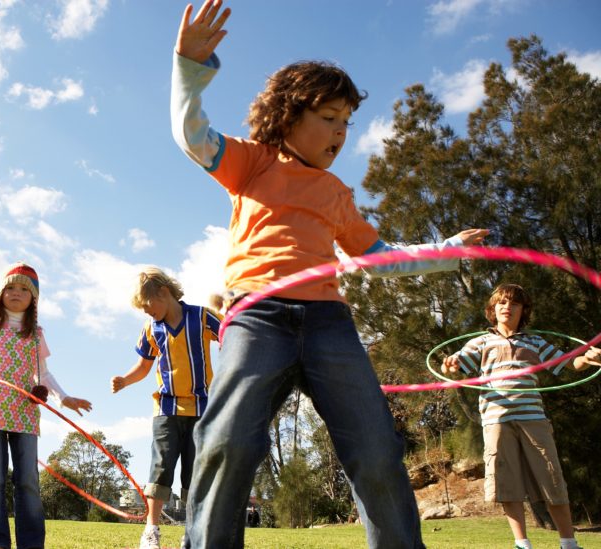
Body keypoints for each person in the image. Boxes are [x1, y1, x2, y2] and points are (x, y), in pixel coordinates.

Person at [169, 1, 490, 547]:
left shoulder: (337, 193)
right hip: (258, 316)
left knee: (375, 447)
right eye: (328, 118)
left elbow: (382, 256)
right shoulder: (254, 161)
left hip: (329, 324)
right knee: (228, 440)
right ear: (289, 115)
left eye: (347, 122)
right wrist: (188, 72)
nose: (341, 133)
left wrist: (448, 250)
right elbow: (193, 135)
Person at [442, 284, 599, 549]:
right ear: (493, 309)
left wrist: (588, 357)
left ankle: (568, 543)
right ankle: (522, 543)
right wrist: (450, 364)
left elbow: (569, 363)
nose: (507, 307)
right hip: (496, 420)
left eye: (514, 303)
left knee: (552, 477)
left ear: (523, 310)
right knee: (506, 481)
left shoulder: (534, 341)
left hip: (533, 418)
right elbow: (456, 366)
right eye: (502, 302)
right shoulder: (481, 341)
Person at [0, 262, 93, 549]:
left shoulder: (36, 332)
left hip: (25, 411)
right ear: (0, 292)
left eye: (23, 289)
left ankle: (31, 544)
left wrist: (63, 398)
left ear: (34, 298)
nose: (15, 293)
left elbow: (42, 373)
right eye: (9, 287)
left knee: (28, 482)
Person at [110, 268, 221, 549]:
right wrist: (125, 379)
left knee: (195, 472)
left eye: (148, 307)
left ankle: (193, 531)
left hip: (202, 408)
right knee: (161, 467)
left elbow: (231, 336)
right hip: (166, 408)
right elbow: (144, 366)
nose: (147, 314)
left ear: (163, 292)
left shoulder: (202, 317)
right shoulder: (152, 329)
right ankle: (151, 530)